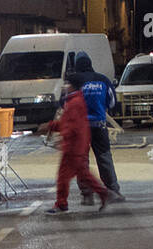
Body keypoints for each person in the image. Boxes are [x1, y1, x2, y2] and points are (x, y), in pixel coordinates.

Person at [40, 72, 114, 214]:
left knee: (63, 177)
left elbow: (70, 126)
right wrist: (52, 126)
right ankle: (104, 193)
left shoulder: (74, 103)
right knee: (84, 175)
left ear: (72, 86)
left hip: (73, 147)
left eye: (67, 84)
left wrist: (60, 137)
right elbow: (68, 124)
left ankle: (62, 203)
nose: (65, 86)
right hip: (77, 145)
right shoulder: (76, 100)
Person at [73, 54, 124, 204]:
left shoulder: (74, 80)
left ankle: (87, 195)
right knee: (104, 158)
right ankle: (113, 190)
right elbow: (112, 102)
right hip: (99, 125)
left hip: (80, 127)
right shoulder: (103, 79)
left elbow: (65, 102)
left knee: (82, 160)